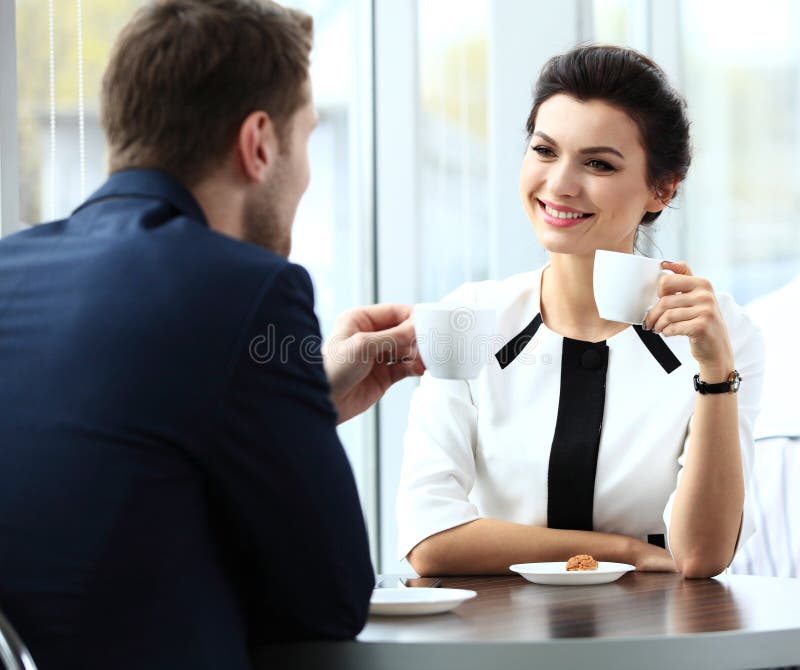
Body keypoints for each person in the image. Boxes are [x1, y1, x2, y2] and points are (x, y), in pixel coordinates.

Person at [0, 1, 422, 669]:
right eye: (305, 137)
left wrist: (304, 401)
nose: (307, 173)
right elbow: (332, 601)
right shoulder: (244, 289)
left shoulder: (9, 271)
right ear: (258, 144)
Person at [397, 45, 764, 580]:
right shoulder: (468, 318)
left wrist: (714, 374)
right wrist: (630, 550)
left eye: (598, 163)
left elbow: (702, 557)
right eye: (545, 151)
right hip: (499, 648)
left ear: (662, 190)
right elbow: (429, 539)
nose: (561, 183)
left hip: (663, 648)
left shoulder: (722, 334)